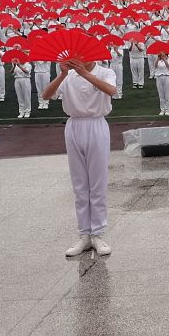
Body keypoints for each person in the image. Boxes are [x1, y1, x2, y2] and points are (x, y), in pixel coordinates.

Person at [42, 58, 117, 257]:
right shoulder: (68, 76)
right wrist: (62, 74)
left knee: (97, 182)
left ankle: (98, 233)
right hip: (74, 125)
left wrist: (85, 73)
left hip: (96, 124)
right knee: (79, 184)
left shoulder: (105, 72)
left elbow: (111, 91)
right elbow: (46, 95)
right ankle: (84, 234)